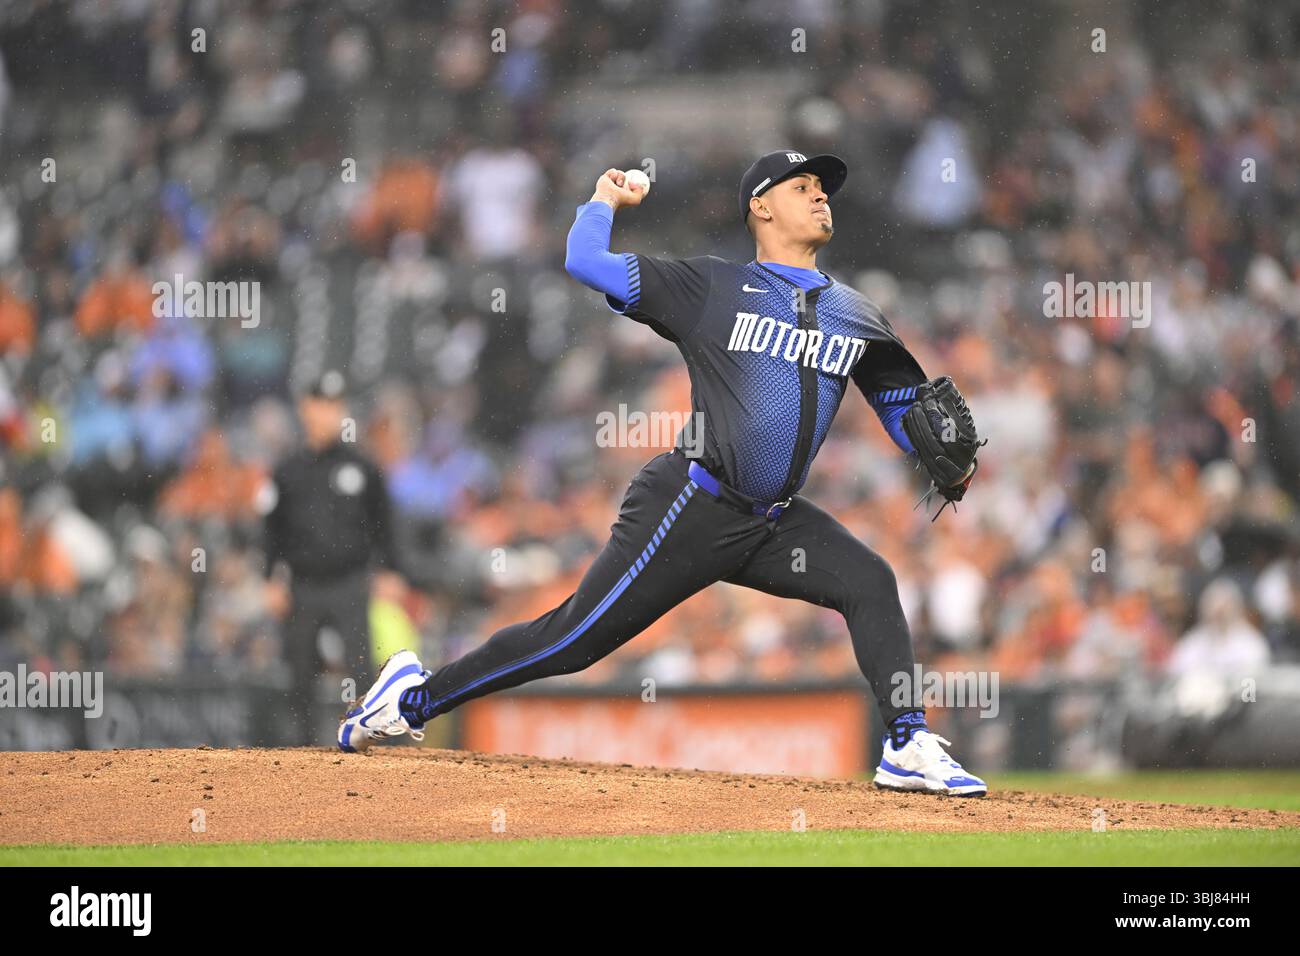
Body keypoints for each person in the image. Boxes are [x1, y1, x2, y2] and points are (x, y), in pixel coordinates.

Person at [339, 151, 987, 796]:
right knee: (573, 640)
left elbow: (905, 410)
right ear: (760, 206)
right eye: (803, 186)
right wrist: (603, 201)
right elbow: (584, 262)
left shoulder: (858, 315)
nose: (821, 197)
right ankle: (412, 700)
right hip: (692, 502)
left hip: (772, 522)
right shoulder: (712, 287)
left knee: (870, 580)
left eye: (824, 188)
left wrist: (946, 463)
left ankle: (906, 742)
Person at [262, 370, 405, 744]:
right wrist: (269, 578)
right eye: (320, 405)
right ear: (305, 408)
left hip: (350, 582)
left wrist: (390, 570)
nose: (327, 414)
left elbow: (383, 523)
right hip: (303, 583)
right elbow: (272, 530)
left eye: (334, 406)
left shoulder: (361, 466)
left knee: (361, 666)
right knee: (299, 672)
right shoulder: (287, 470)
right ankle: (301, 751)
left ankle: (368, 741)